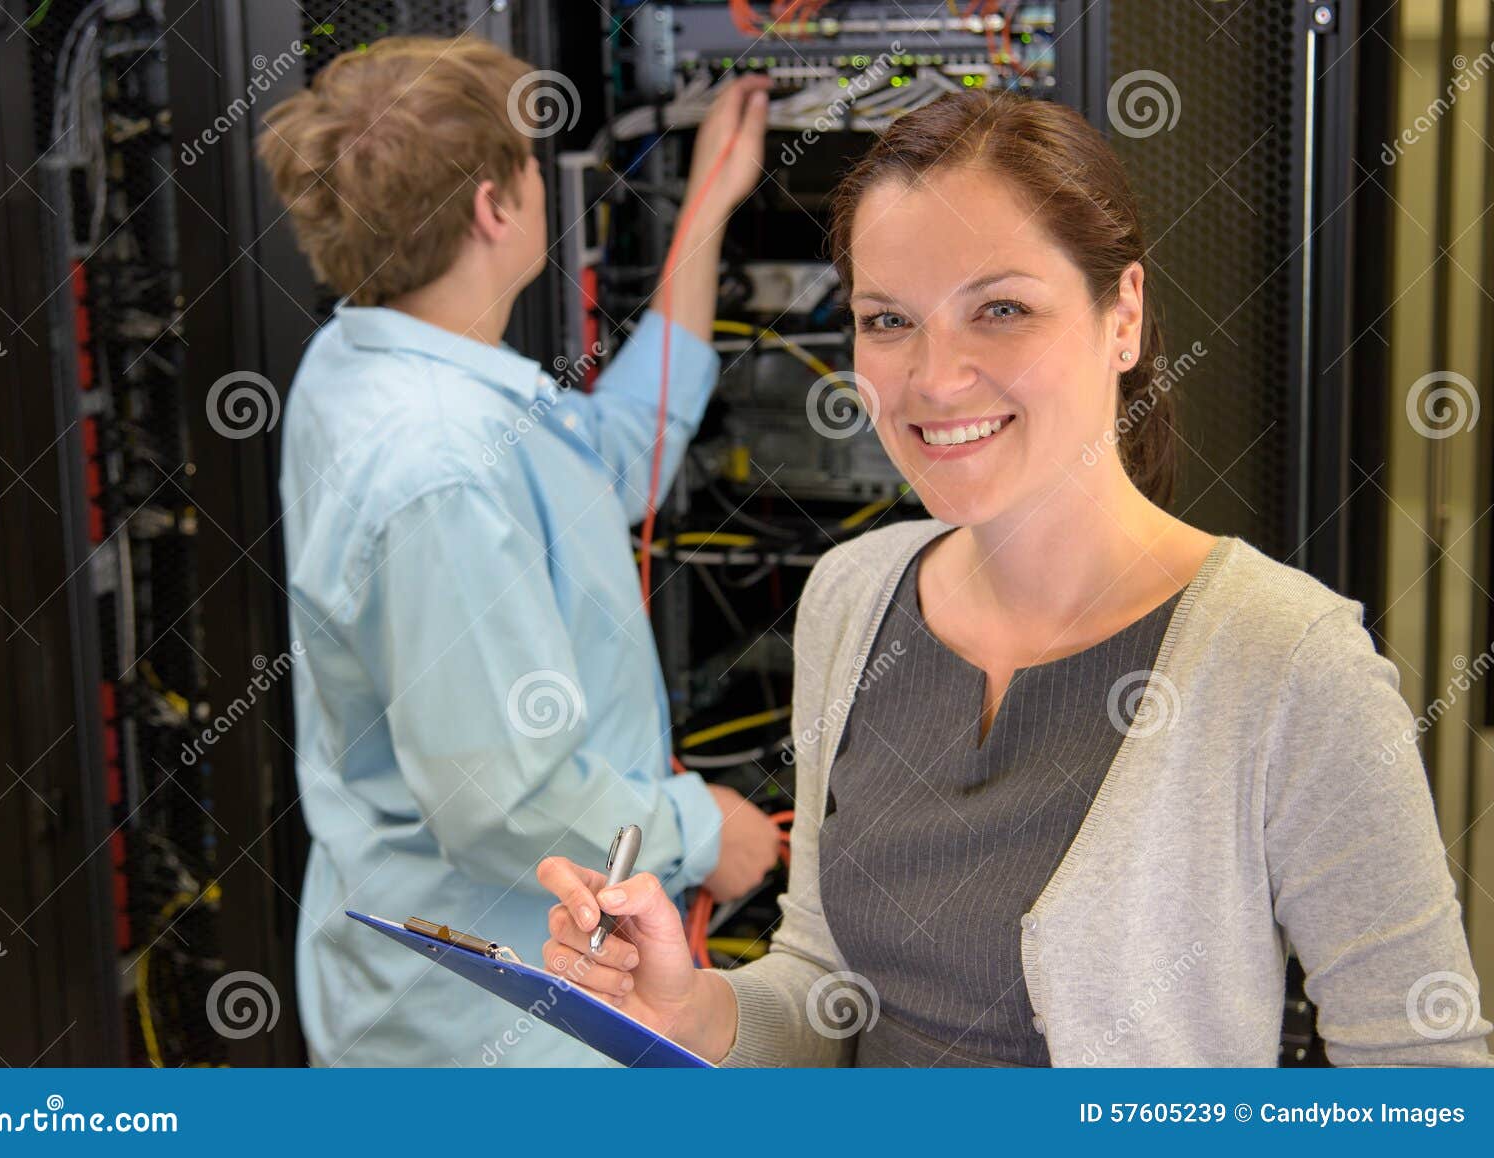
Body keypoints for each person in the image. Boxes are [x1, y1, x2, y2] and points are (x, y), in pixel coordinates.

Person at [534, 89, 1493, 1066]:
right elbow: (825, 980)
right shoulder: (852, 596)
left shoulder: (1289, 663)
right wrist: (691, 1007)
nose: (934, 378)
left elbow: (1429, 1085)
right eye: (888, 319)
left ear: (1123, 315)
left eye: (1000, 309)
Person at [258, 37, 778, 1065]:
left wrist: (707, 210)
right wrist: (705, 830)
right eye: (534, 162)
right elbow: (504, 800)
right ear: (496, 208)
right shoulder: (439, 468)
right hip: (492, 1033)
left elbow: (602, 467)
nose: (547, 182)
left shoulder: (360, 364)